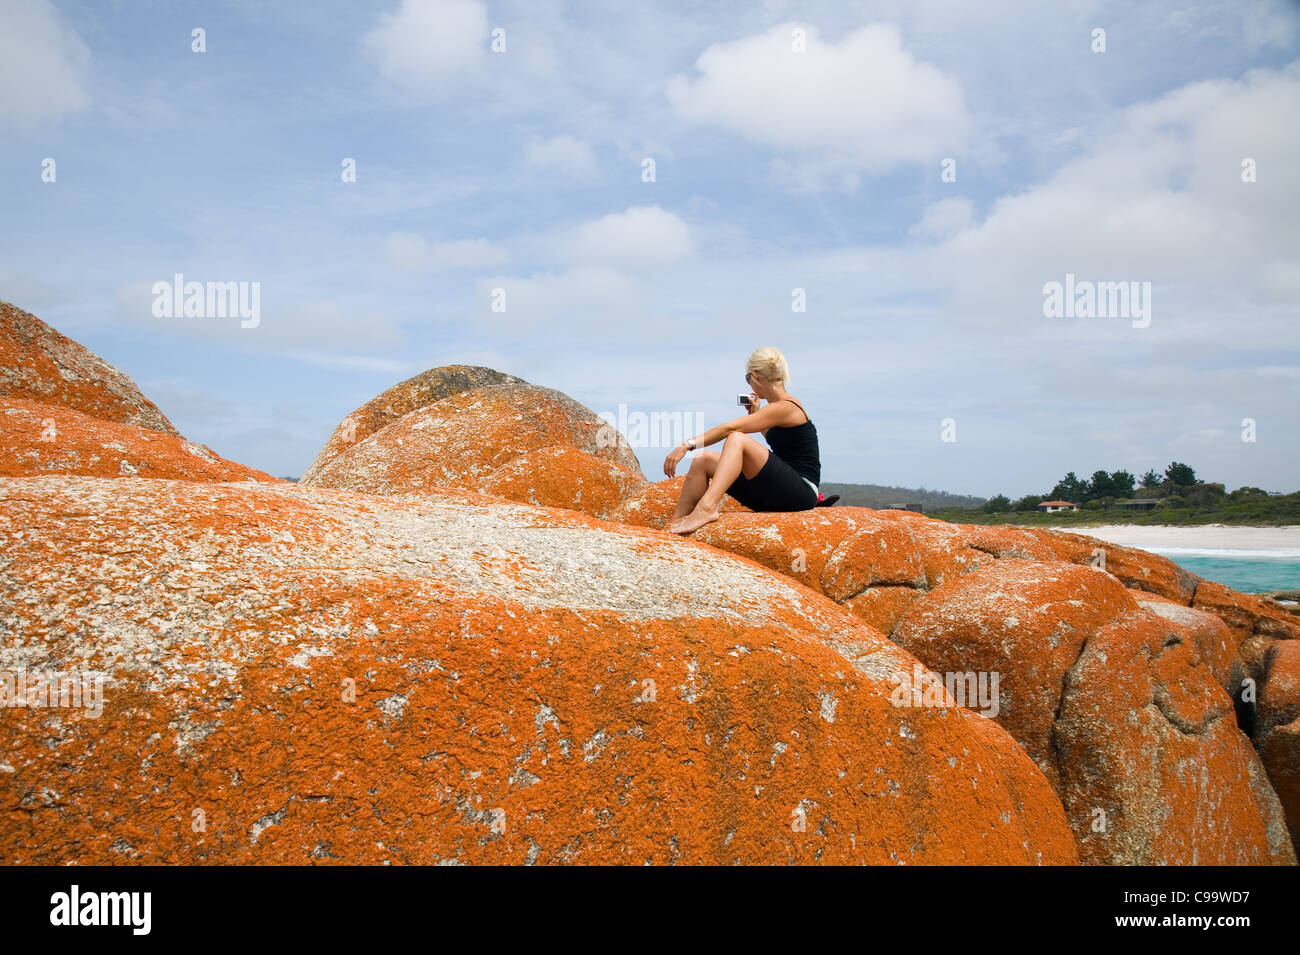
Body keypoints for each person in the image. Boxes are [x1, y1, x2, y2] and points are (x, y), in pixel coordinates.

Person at [664, 346, 820, 535]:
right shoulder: (775, 409)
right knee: (703, 459)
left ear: (756, 376)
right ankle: (673, 526)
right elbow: (782, 443)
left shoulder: (787, 407)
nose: (749, 385)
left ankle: (706, 508)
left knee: (736, 438)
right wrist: (756, 413)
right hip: (776, 492)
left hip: (800, 493)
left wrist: (686, 445)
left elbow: (730, 428)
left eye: (748, 379)